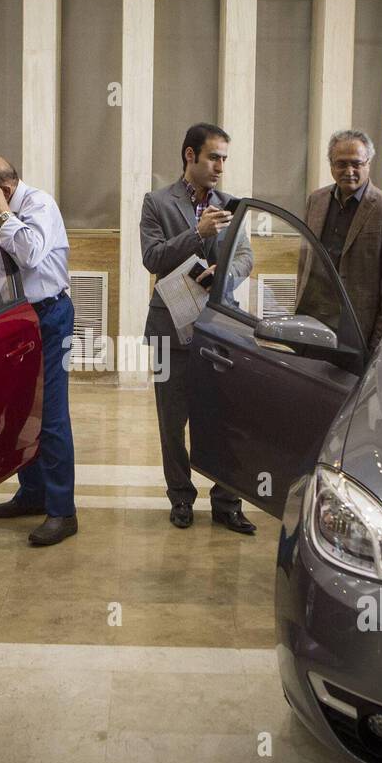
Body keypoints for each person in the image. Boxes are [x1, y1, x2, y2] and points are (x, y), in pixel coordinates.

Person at [140, 122, 256, 534]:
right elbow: (152, 257)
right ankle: (181, 499)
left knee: (227, 420)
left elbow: (245, 257)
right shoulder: (156, 202)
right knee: (173, 421)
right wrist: (197, 234)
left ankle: (227, 501)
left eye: (225, 158)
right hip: (169, 328)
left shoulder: (232, 204)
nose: (220, 166)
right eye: (213, 157)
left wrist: (220, 272)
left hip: (221, 328)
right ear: (190, 155)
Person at [0, 155, 77, 547]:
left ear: (3, 190)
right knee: (20, 409)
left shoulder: (38, 205)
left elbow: (29, 253)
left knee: (50, 412)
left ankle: (63, 510)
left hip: (49, 317)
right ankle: (32, 493)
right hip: (14, 318)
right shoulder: (1, 212)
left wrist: (1, 211)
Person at [301, 129, 382, 351]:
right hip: (312, 323)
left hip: (358, 332)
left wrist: (377, 344)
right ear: (331, 166)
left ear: (368, 164)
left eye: (356, 163)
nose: (349, 171)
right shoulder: (316, 201)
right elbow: (305, 262)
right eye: (341, 164)